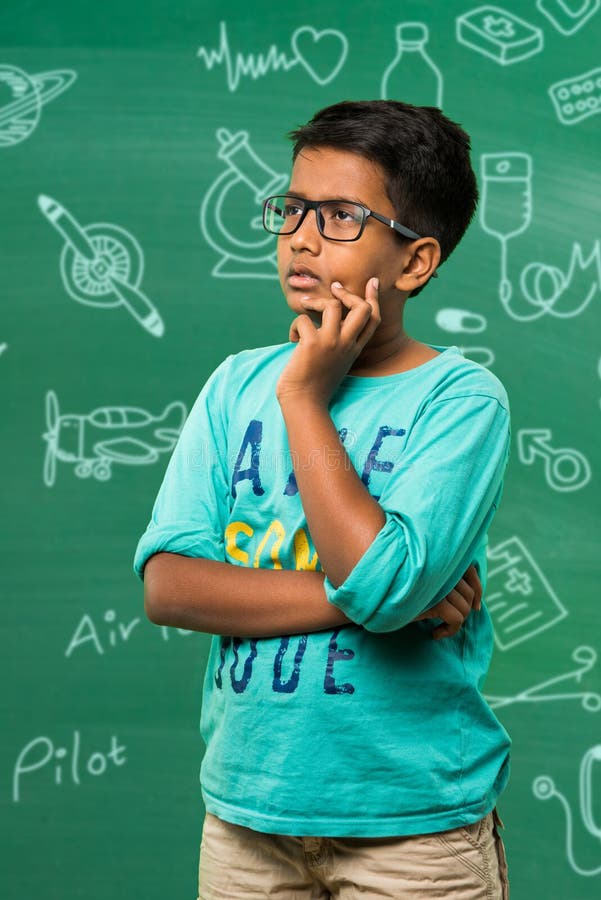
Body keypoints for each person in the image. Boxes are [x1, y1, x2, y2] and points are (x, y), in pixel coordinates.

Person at [133, 100, 511, 899]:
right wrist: (389, 599)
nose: (300, 237)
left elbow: (380, 582)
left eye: (341, 216)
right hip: (246, 817)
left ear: (413, 263)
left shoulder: (460, 401)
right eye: (293, 208)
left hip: (412, 829)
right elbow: (169, 584)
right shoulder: (236, 385)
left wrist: (305, 399)